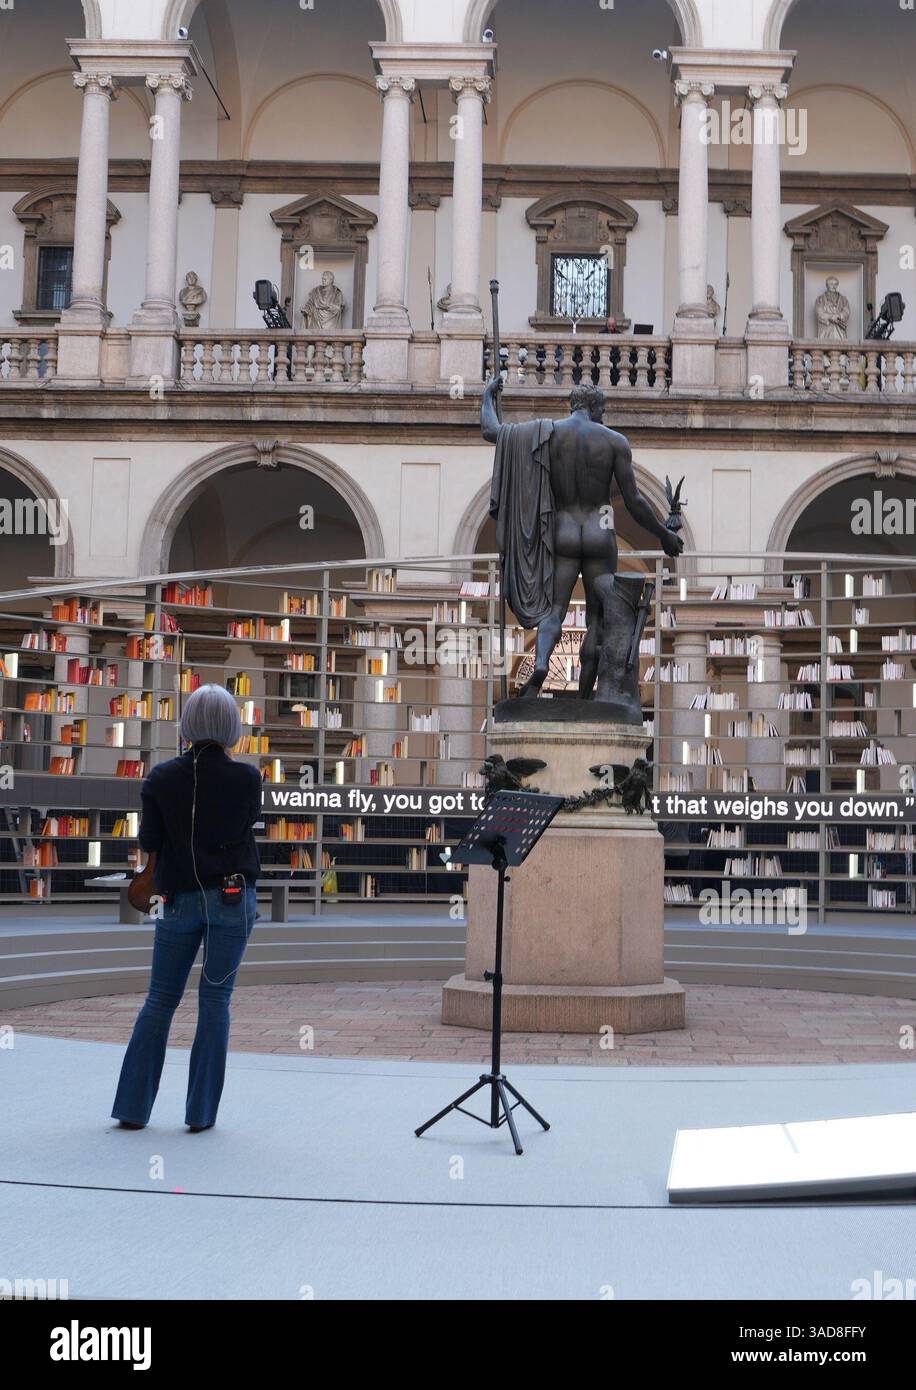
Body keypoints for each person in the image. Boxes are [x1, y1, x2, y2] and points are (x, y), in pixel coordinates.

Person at [111, 684, 262, 1132]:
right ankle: (200, 1115)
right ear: (232, 725)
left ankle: (133, 1110)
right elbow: (241, 831)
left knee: (159, 1001)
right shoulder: (248, 778)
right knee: (215, 1001)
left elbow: (150, 845)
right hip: (232, 901)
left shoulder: (160, 778)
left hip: (176, 902)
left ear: (188, 724)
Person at [483, 377, 683, 698]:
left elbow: (492, 431)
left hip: (563, 532)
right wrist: (663, 535)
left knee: (555, 610)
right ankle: (585, 695)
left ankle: (542, 663)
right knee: (597, 618)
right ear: (593, 407)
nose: (604, 414)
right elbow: (635, 502)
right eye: (603, 408)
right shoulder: (615, 441)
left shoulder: (547, 433)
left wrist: (487, 397)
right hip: (599, 532)